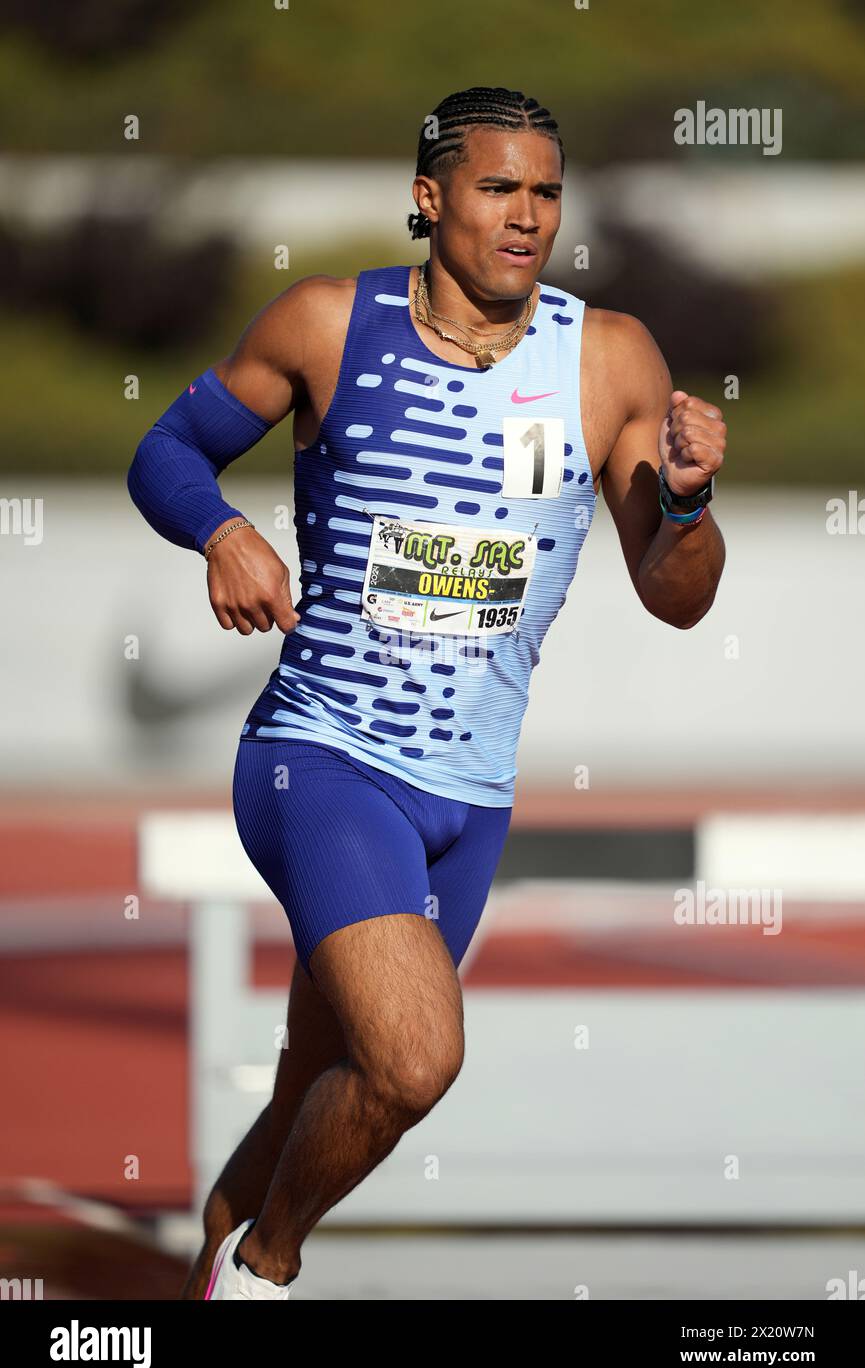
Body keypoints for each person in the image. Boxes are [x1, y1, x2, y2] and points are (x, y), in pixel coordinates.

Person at [128, 85, 727, 1300]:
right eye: (497, 187)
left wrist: (688, 501)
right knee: (412, 1059)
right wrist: (223, 534)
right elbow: (166, 451)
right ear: (429, 197)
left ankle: (212, 1262)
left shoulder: (607, 356)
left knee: (322, 1085)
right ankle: (265, 1268)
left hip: (470, 796)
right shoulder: (324, 324)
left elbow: (676, 594)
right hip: (322, 754)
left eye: (546, 191)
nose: (526, 216)